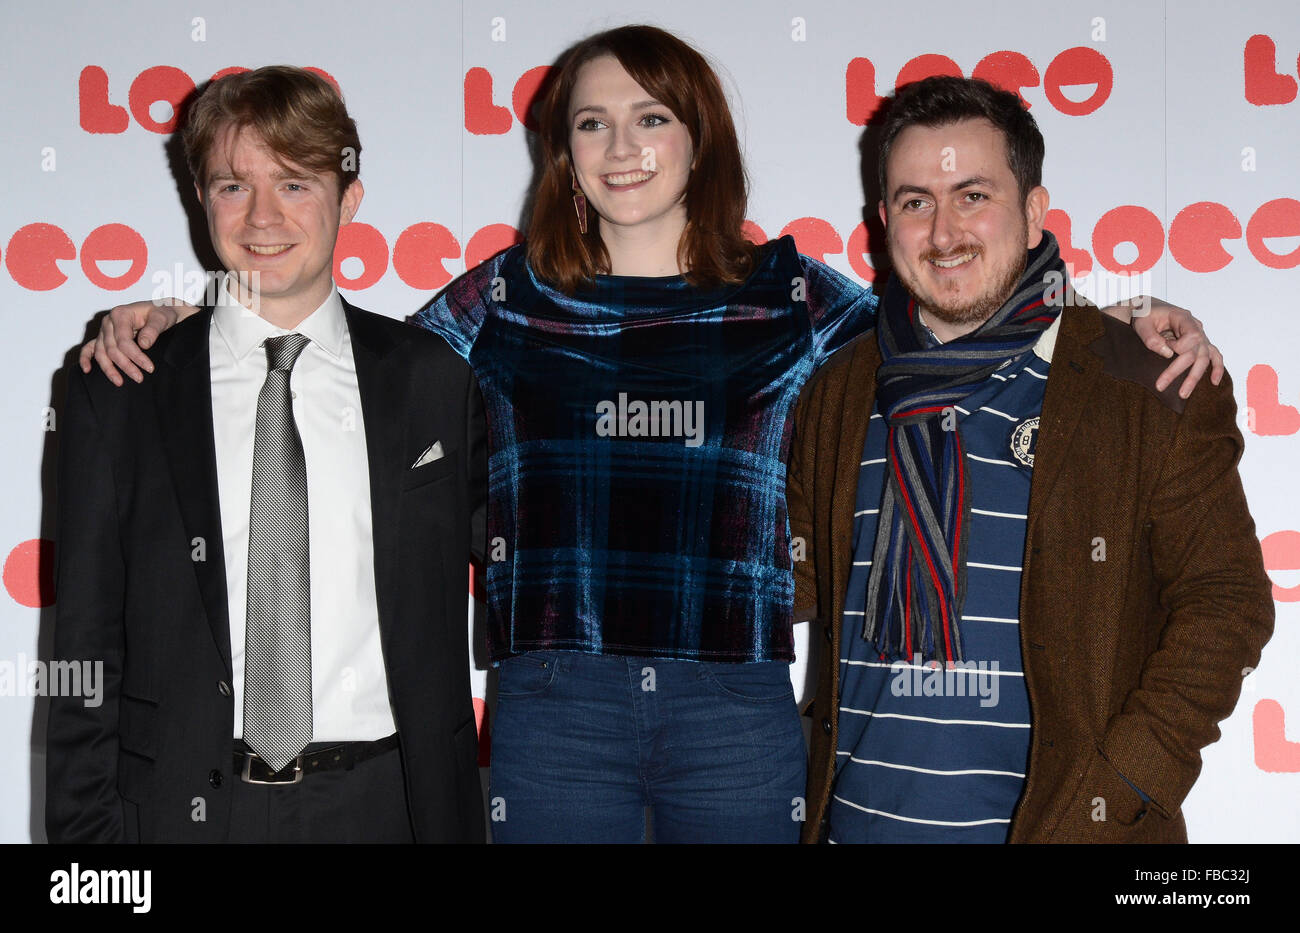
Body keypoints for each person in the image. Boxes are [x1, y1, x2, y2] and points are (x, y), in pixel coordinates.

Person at [80, 28, 1222, 844]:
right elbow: (343, 359)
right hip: (548, 706)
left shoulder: (791, 299)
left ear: (697, 137)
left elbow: (949, 318)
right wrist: (192, 317)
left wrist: (1112, 317)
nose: (621, 145)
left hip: (734, 708)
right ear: (564, 154)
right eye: (592, 122)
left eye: (650, 116)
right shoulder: (505, 301)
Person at [786, 75, 1274, 844]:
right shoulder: (839, 389)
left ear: (1035, 209)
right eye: (916, 202)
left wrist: (1113, 793)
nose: (944, 233)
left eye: (972, 195)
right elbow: (777, 583)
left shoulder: (1146, 383)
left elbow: (1227, 604)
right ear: (884, 221)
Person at [47, 66, 487, 843]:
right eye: (231, 186)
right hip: (183, 812)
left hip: (393, 806)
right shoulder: (120, 389)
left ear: (349, 197)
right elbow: (85, 653)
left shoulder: (432, 379)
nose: (261, 217)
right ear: (199, 199)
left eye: (293, 184)